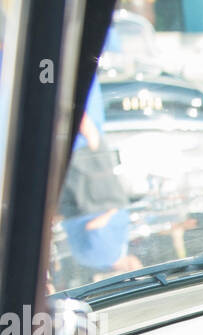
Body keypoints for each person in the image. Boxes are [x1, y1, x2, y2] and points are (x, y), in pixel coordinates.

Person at [57, 75, 140, 281]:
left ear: (132, 269)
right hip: (79, 176)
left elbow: (93, 227)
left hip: (89, 167)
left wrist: (113, 210)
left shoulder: (110, 253)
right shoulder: (89, 260)